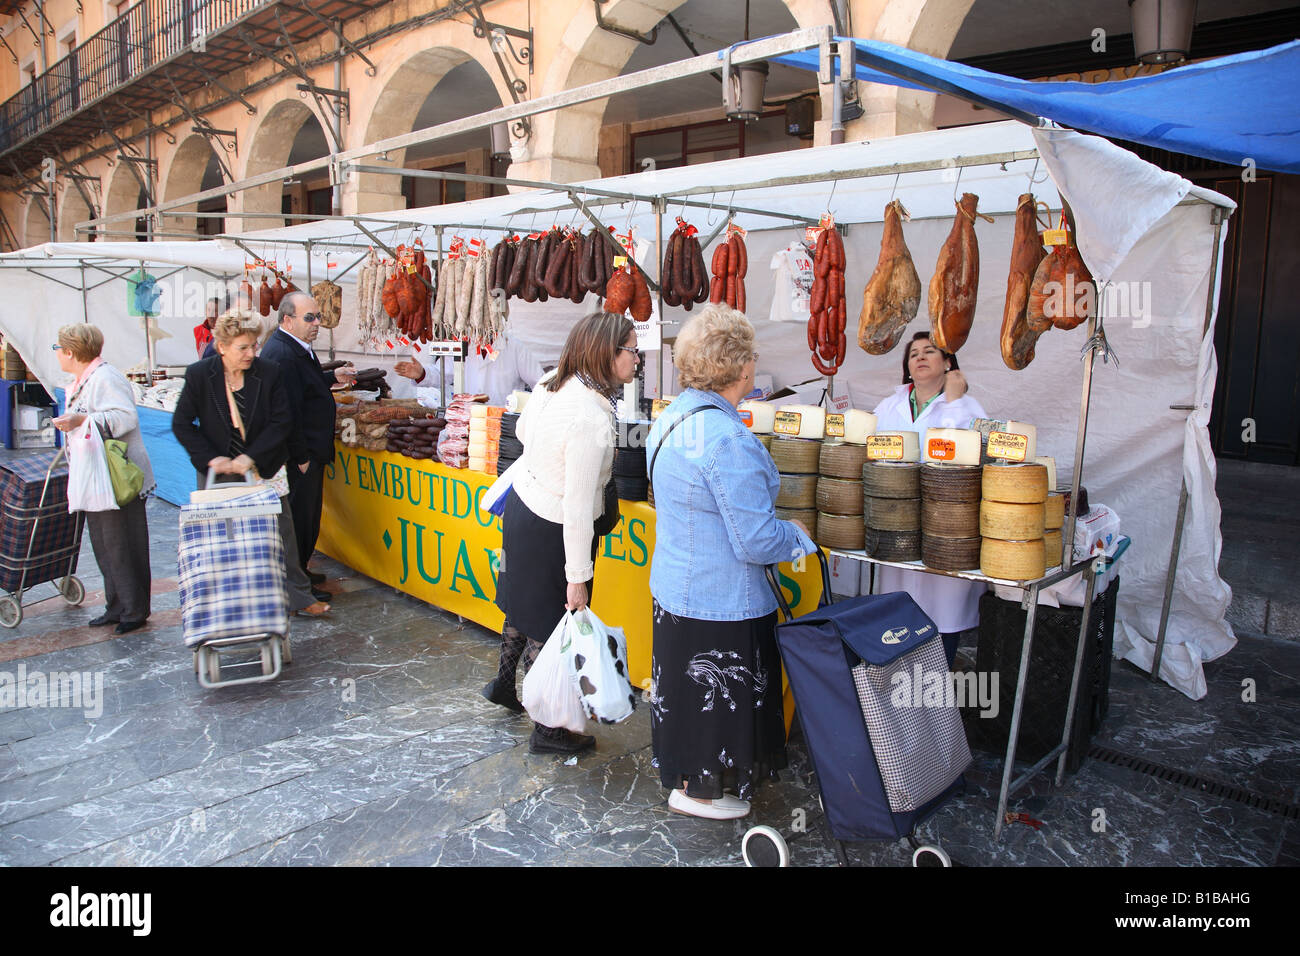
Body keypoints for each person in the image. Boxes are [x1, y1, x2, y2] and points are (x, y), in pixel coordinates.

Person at [645, 305, 816, 821]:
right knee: (715, 703)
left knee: (687, 696)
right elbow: (758, 541)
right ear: (742, 369)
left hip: (677, 588)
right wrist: (797, 537)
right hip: (722, 600)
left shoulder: (671, 416)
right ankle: (701, 792)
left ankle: (690, 781)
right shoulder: (729, 439)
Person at [484, 311, 639, 756]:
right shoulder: (590, 416)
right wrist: (578, 576)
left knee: (519, 605)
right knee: (550, 625)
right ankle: (548, 729)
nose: (636, 361)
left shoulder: (555, 380)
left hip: (523, 506)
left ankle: (504, 685)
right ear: (607, 353)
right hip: (553, 524)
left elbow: (525, 431)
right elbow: (576, 504)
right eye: (631, 351)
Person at [171, 311, 330, 616]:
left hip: (265, 465)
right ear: (222, 346)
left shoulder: (268, 372)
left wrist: (251, 456)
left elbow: (281, 421)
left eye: (254, 346)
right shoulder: (199, 375)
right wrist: (210, 459)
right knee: (224, 540)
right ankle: (228, 604)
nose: (251, 353)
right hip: (217, 473)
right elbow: (181, 423)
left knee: (281, 532)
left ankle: (299, 597)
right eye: (242, 347)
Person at [872, 331, 987, 666]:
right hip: (897, 517)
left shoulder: (967, 406)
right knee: (897, 604)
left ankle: (936, 689)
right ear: (907, 367)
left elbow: (966, 453)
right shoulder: (889, 404)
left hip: (945, 521)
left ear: (948, 362)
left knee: (942, 609)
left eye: (930, 351)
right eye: (913, 354)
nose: (920, 357)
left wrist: (953, 401)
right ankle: (894, 682)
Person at [51, 324, 155, 635]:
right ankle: (117, 605)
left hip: (116, 476)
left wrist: (82, 420)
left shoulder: (106, 378)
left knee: (123, 543)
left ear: (70, 352)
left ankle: (134, 610)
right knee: (105, 544)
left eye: (57, 348)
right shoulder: (86, 379)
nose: (56, 354)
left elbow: (125, 417)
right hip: (97, 476)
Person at [257, 291, 355, 586]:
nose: (317, 323)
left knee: (307, 518)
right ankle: (296, 585)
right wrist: (301, 457)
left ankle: (301, 573)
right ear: (287, 319)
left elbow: (304, 387)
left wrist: (330, 378)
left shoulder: (295, 346)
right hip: (300, 455)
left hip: (308, 450)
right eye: (309, 318)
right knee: (300, 520)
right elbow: (288, 412)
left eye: (319, 317)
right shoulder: (283, 354)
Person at [392, 334, 543, 407]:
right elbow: (442, 375)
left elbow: (541, 382)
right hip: (467, 424)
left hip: (502, 424)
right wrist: (421, 374)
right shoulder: (462, 346)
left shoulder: (514, 347)